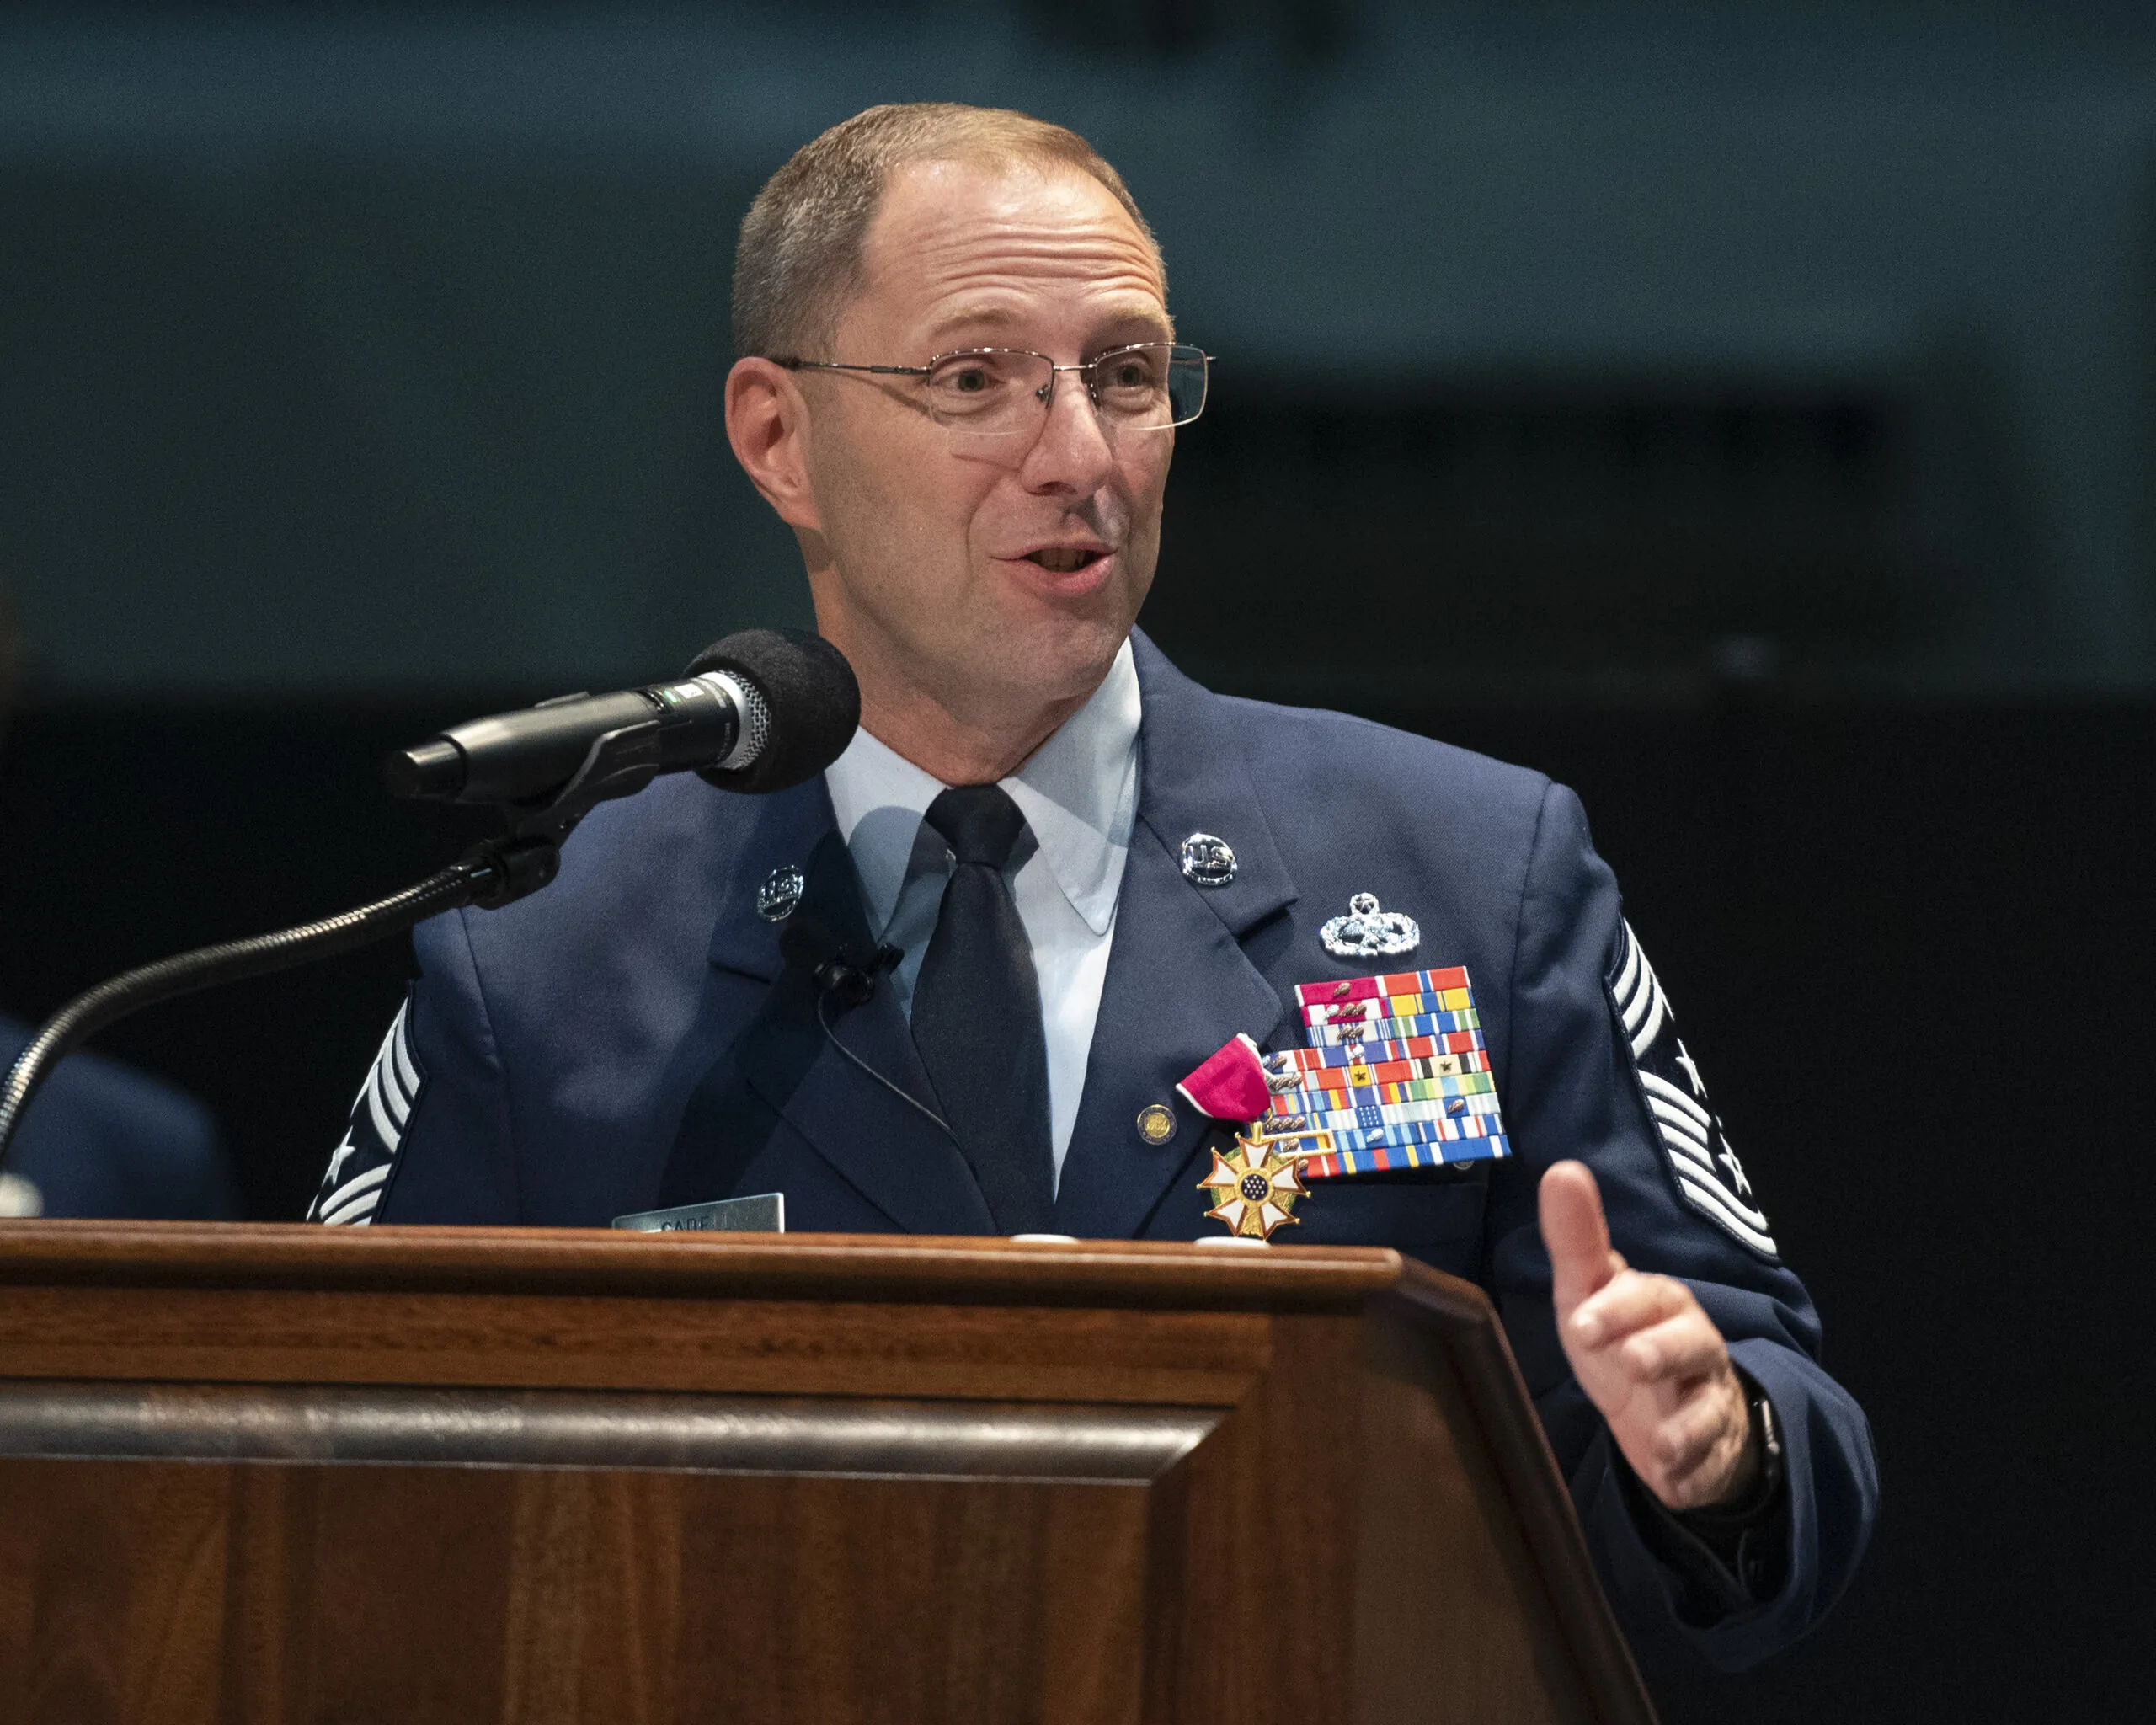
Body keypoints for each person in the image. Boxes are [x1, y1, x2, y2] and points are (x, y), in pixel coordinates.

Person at [307, 103, 1875, 1674]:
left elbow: (1767, 1428)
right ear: (780, 438)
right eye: (976, 379)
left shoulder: (1467, 873)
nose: (1080, 458)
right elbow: (336, 1501)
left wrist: (1715, 1456)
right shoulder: (545, 951)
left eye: (1126, 376)